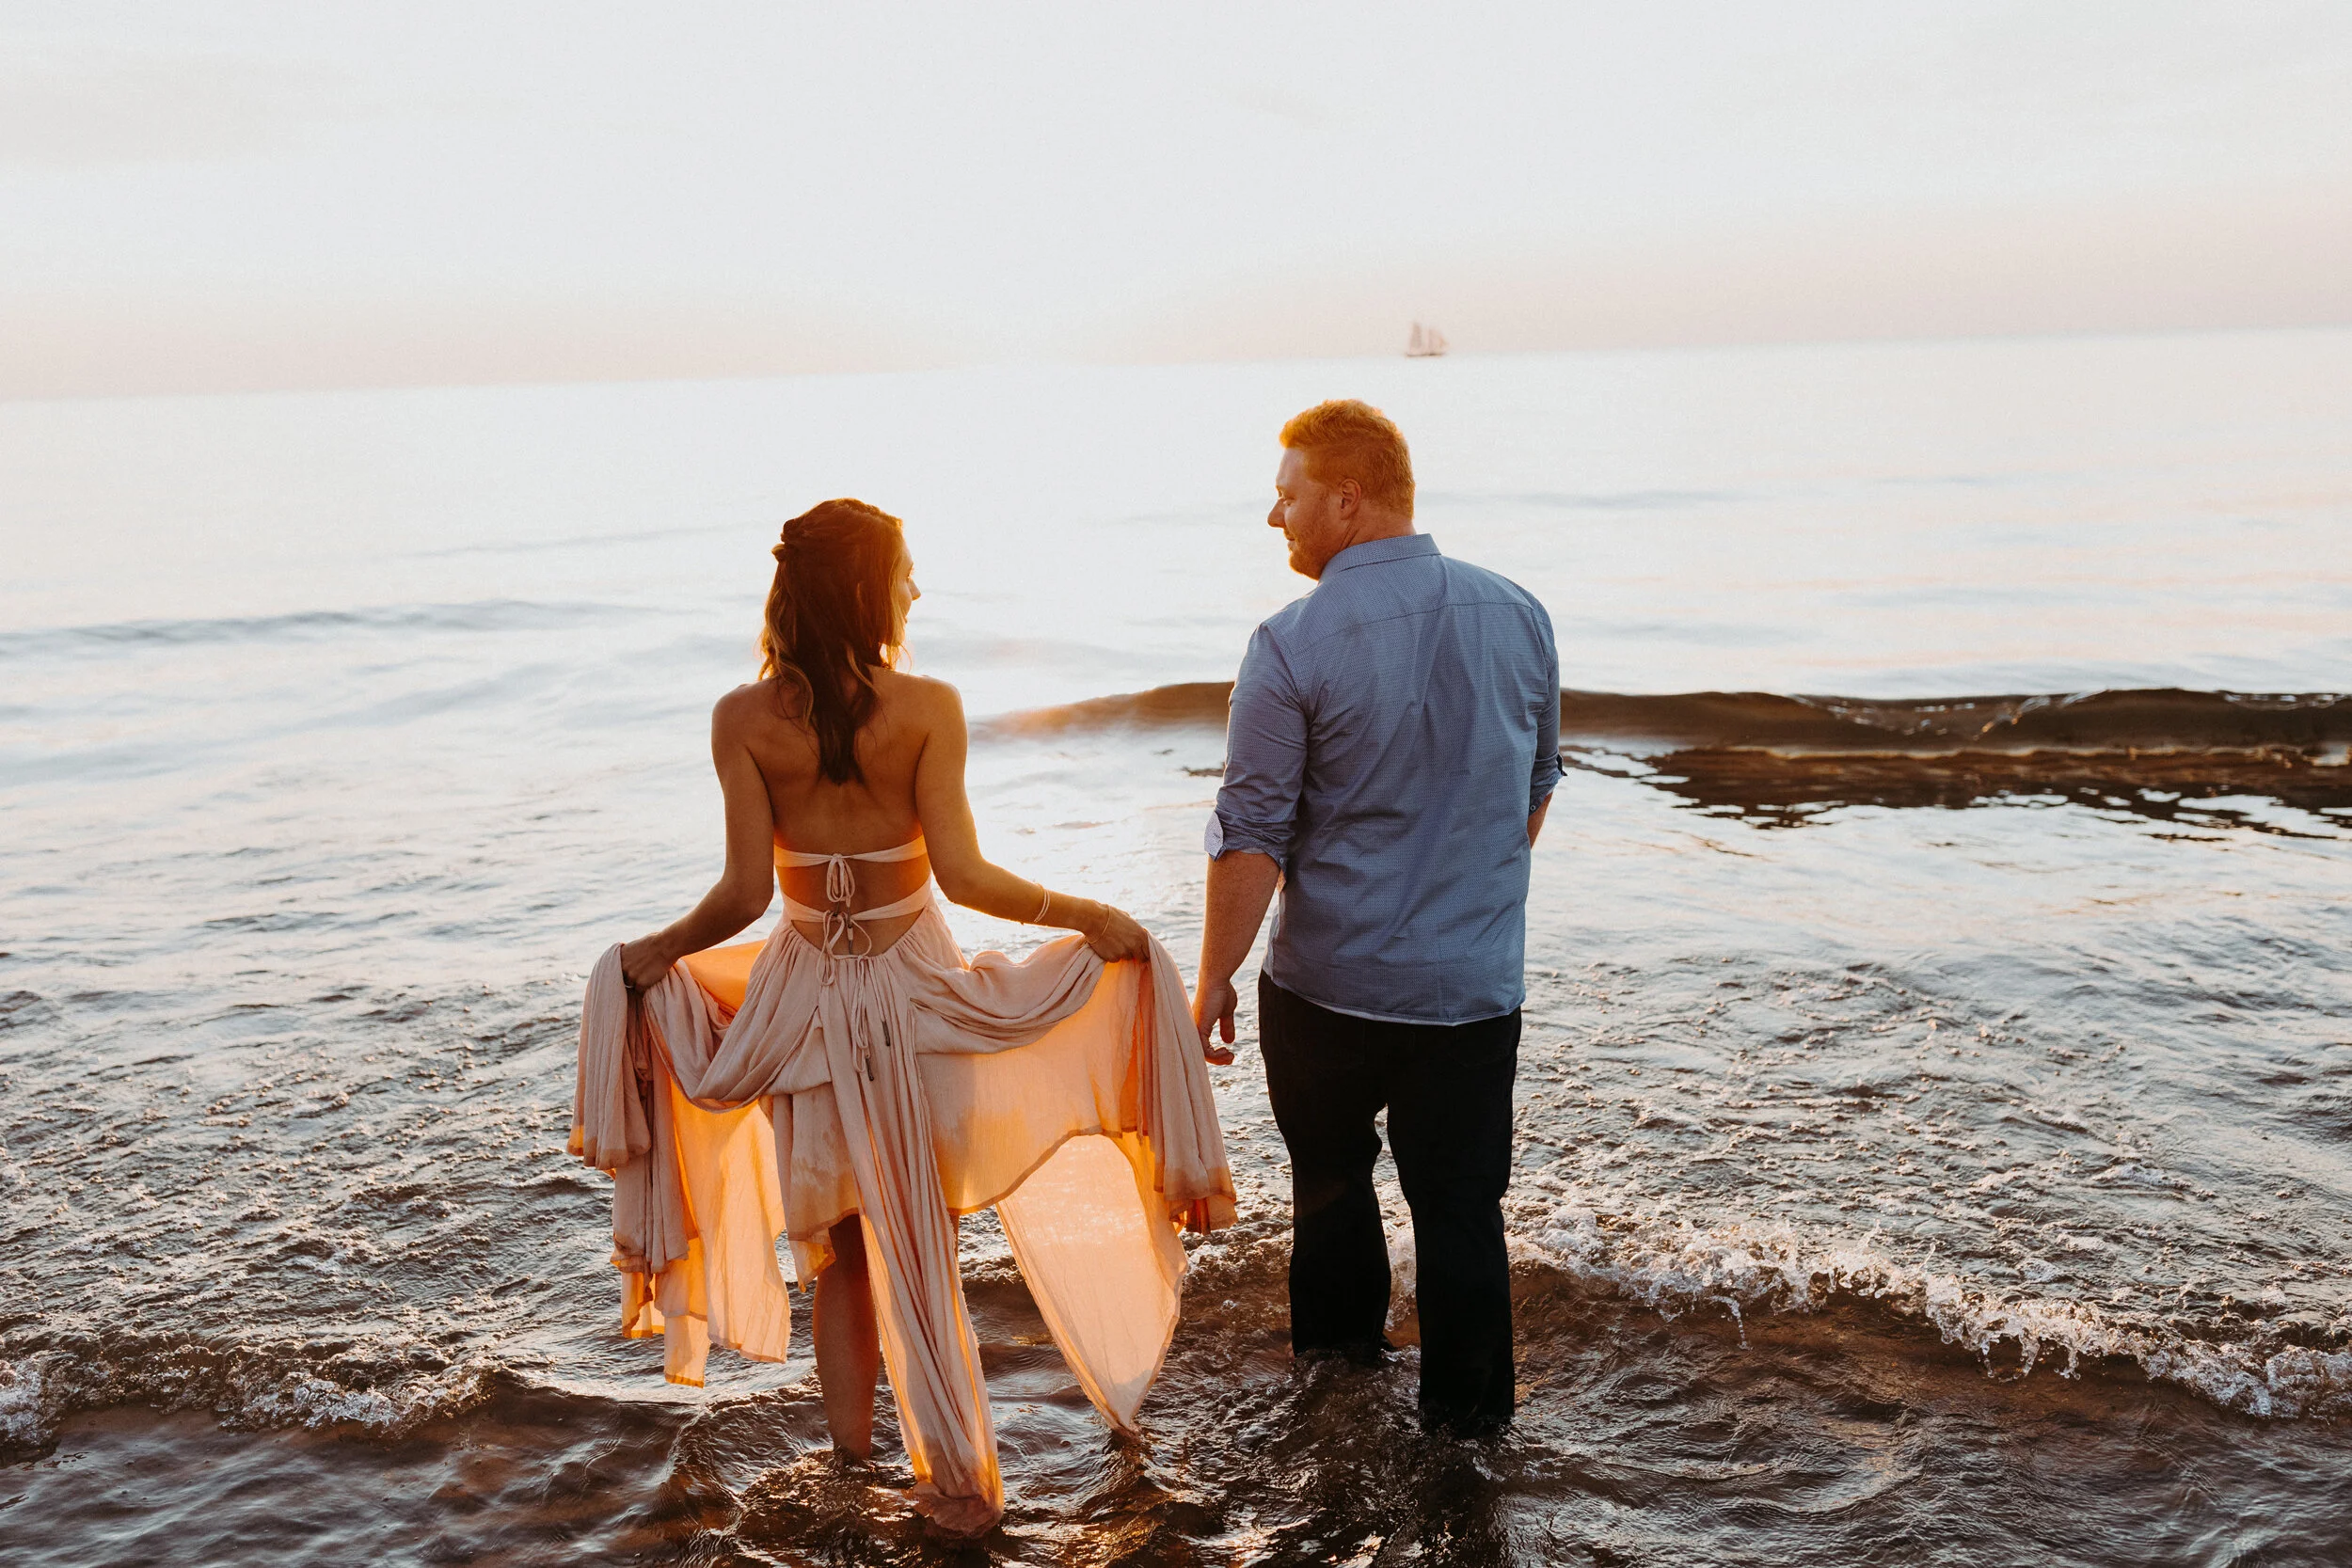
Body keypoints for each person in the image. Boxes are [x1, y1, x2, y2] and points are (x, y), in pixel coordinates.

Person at [571, 498, 1235, 1535]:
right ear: (862, 588)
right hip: (915, 995)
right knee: (918, 1228)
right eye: (903, 572)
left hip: (806, 1007)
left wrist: (658, 951)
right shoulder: (927, 704)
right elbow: (964, 874)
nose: (915, 590)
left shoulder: (739, 719)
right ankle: (949, 1469)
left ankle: (850, 1462)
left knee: (839, 1249)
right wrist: (1090, 915)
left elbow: (746, 896)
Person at [1191, 400, 1561, 1436]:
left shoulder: (1288, 642)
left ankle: (1340, 1401)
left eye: (1290, 494)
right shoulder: (1521, 614)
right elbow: (1532, 792)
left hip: (1326, 990)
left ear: (1345, 499)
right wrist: (1456, 891)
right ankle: (1470, 1440)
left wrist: (1213, 973)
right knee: (1459, 1213)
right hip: (1470, 993)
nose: (1276, 515)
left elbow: (1253, 832)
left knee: (1330, 1188)